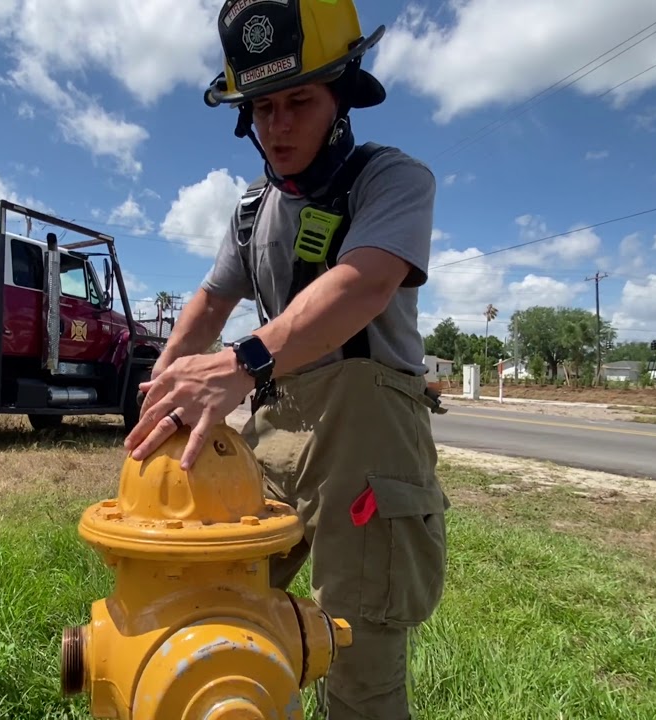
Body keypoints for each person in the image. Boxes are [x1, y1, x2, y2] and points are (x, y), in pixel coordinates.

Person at [124, 0, 449, 717]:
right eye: (262, 108)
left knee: (355, 644)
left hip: (366, 435)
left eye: (299, 100)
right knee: (223, 604)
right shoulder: (250, 211)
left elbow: (364, 282)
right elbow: (209, 303)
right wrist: (157, 398)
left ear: (341, 98)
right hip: (272, 429)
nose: (278, 125)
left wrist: (240, 362)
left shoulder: (391, 180)